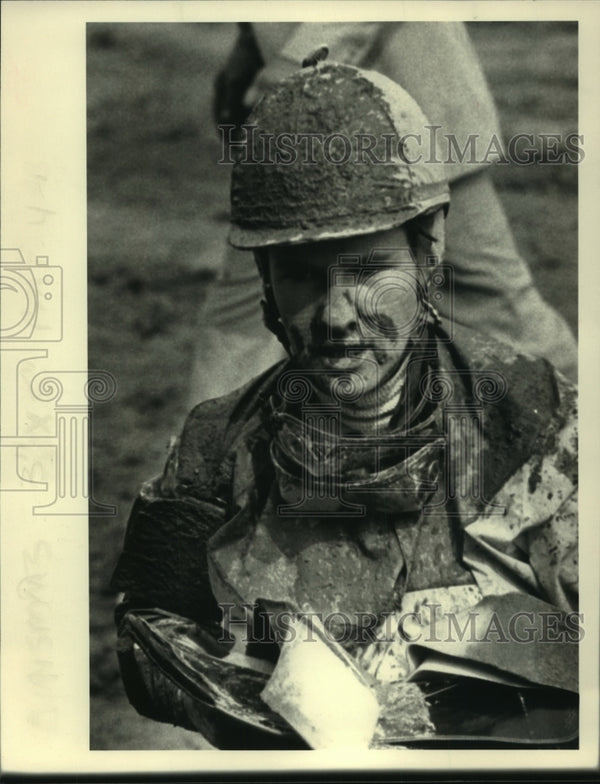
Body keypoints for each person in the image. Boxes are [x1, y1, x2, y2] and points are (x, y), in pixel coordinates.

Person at [112, 61, 578, 750]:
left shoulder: (538, 427)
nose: (334, 315)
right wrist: (257, 702)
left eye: (366, 270)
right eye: (301, 275)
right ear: (264, 283)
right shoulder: (217, 448)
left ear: (430, 252)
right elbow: (146, 636)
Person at [189, 22, 577, 408]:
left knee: (497, 308)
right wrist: (251, 42)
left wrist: (293, 60)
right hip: (304, 127)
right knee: (253, 304)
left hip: (411, 104)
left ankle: (578, 422)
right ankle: (212, 457)